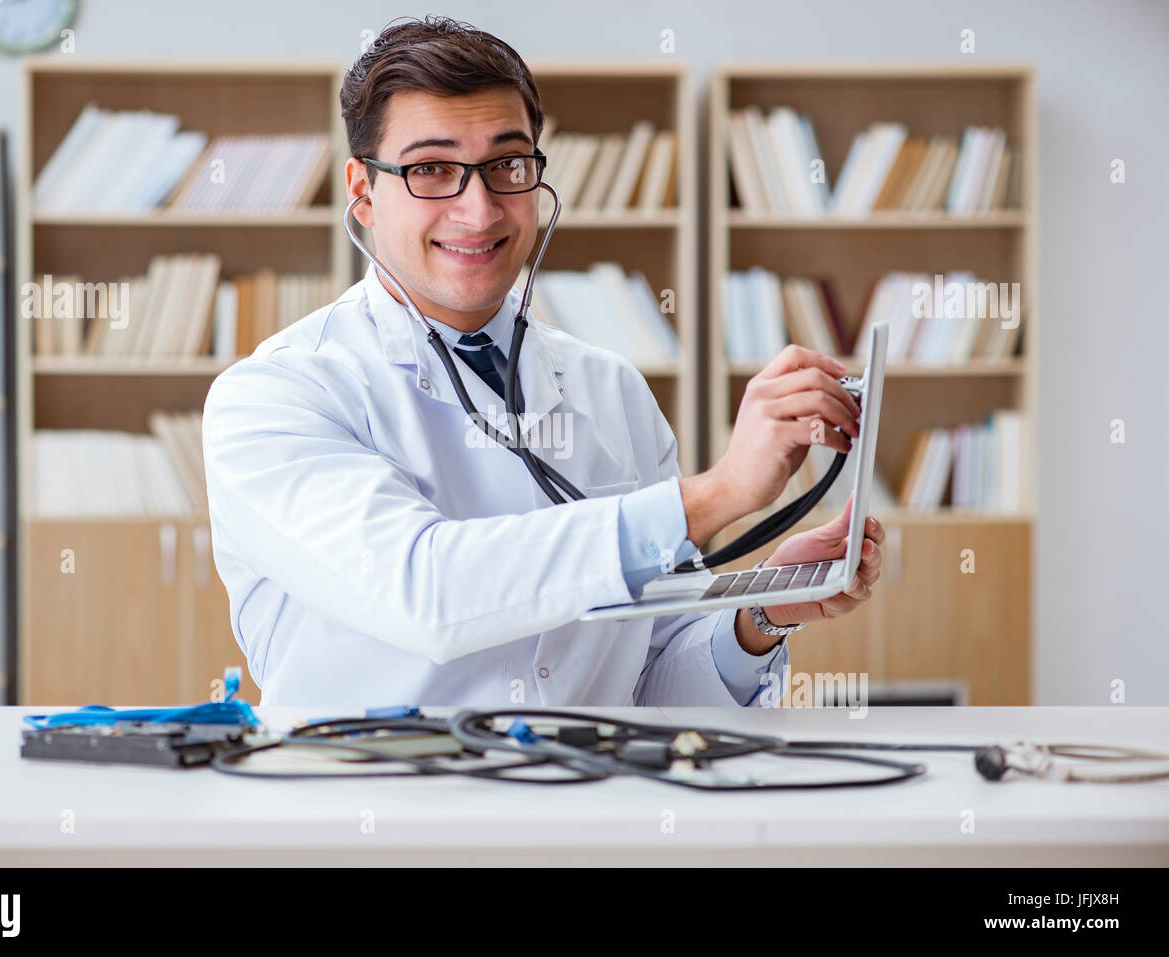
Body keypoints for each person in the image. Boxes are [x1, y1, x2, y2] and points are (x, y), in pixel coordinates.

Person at [202, 16, 884, 707]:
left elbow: (651, 687)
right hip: (370, 806)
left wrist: (760, 612)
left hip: (580, 807)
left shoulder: (611, 391)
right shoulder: (274, 394)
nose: (479, 209)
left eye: (506, 164)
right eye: (432, 168)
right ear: (363, 192)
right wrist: (717, 495)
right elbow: (427, 593)